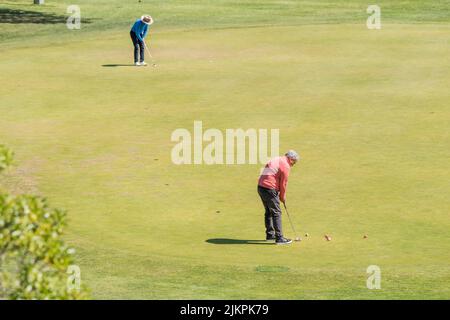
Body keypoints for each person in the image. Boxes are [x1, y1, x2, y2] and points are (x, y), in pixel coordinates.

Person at [257, 150, 299, 245]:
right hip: (269, 189)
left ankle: (270, 235)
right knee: (277, 212)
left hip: (261, 187)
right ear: (290, 159)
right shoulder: (285, 165)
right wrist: (282, 197)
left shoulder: (276, 159)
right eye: (294, 162)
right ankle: (279, 238)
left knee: (269, 211)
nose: (293, 164)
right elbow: (283, 183)